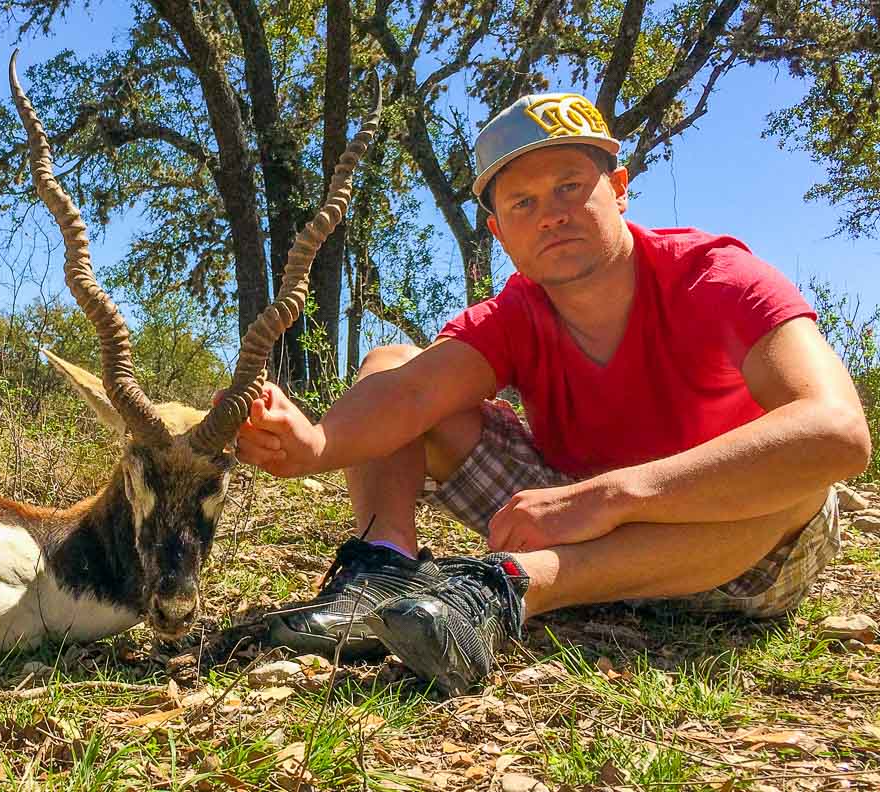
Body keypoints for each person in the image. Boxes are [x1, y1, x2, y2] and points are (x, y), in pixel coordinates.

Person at [235, 92, 871, 696]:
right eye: (523, 204)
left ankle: (505, 590)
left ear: (618, 190)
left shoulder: (716, 277)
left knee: (797, 477)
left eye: (570, 185)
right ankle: (380, 569)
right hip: (576, 520)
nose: (551, 214)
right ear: (499, 232)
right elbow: (409, 394)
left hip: (730, 553)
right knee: (392, 362)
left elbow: (837, 432)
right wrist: (316, 444)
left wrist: (612, 497)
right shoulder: (516, 313)